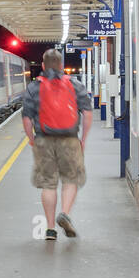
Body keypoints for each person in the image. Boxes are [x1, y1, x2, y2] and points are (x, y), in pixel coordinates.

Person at [21, 47, 93, 240]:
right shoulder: (75, 84)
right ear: (61, 65)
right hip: (70, 139)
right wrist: (83, 139)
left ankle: (51, 229)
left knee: (49, 185)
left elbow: (27, 118)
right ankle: (65, 214)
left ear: (43, 66)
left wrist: (31, 139)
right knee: (70, 180)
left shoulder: (34, 87)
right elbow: (87, 113)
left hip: (43, 140)